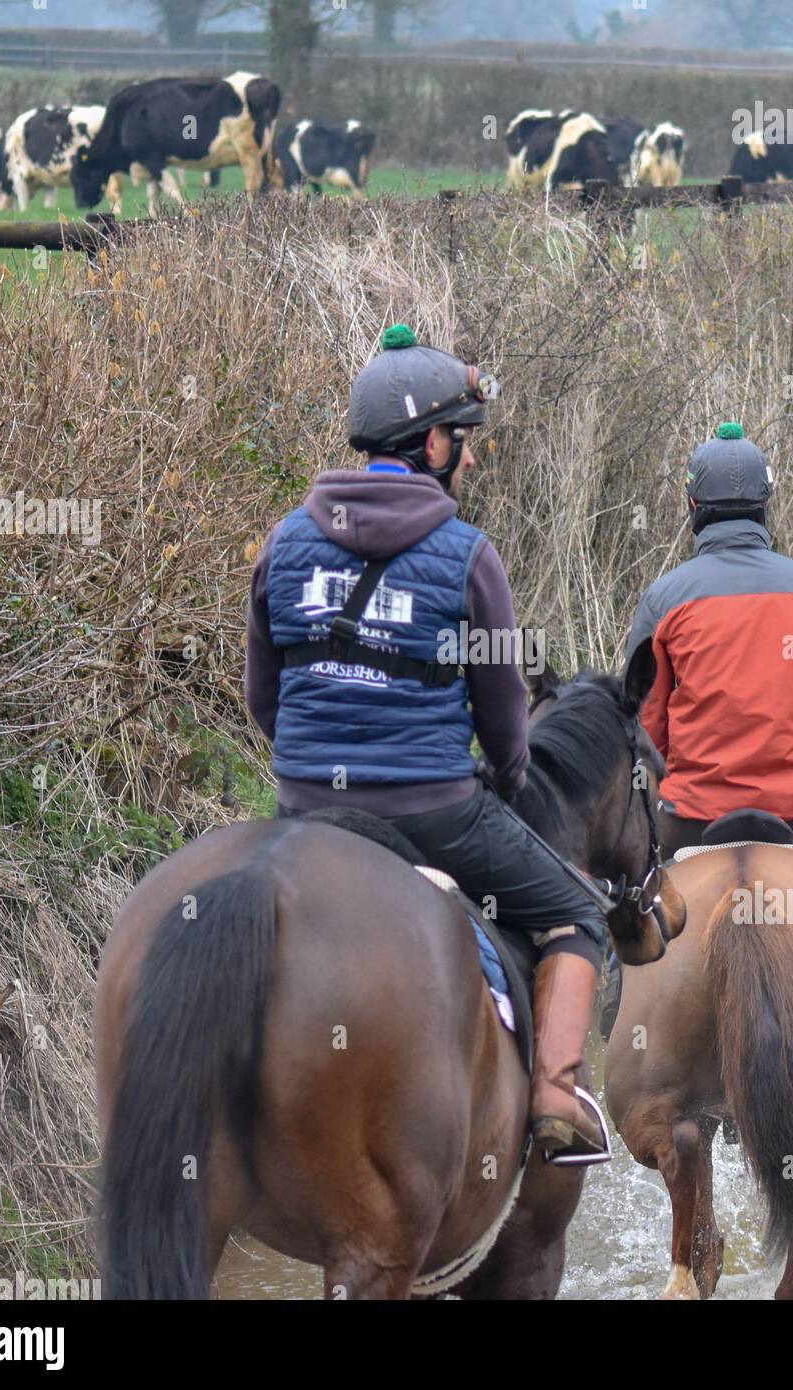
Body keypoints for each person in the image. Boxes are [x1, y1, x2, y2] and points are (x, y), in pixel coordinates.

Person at [244, 323, 611, 1157]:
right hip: (434, 810)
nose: (471, 461)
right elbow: (504, 709)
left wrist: (314, 765)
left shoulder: (284, 542)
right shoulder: (466, 553)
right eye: (465, 441)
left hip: (304, 806)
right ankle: (555, 1098)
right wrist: (509, 773)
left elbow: (263, 697)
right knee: (577, 915)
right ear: (430, 441)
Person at [612, 421, 793, 1041]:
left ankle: (617, 992)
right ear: (765, 504)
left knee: (626, 862)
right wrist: (789, 761)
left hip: (690, 815)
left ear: (694, 507)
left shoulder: (664, 598)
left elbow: (646, 725)